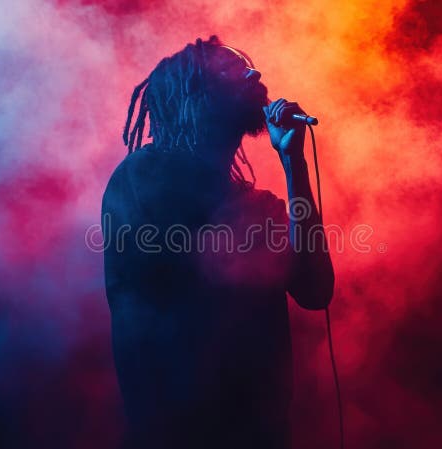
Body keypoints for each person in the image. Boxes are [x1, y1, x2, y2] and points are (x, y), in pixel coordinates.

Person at [102, 35, 334, 449]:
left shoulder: (259, 204)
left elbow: (316, 290)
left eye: (250, 64)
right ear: (196, 92)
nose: (254, 74)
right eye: (231, 69)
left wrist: (293, 164)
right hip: (178, 431)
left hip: (261, 431)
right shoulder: (142, 175)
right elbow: (196, 274)